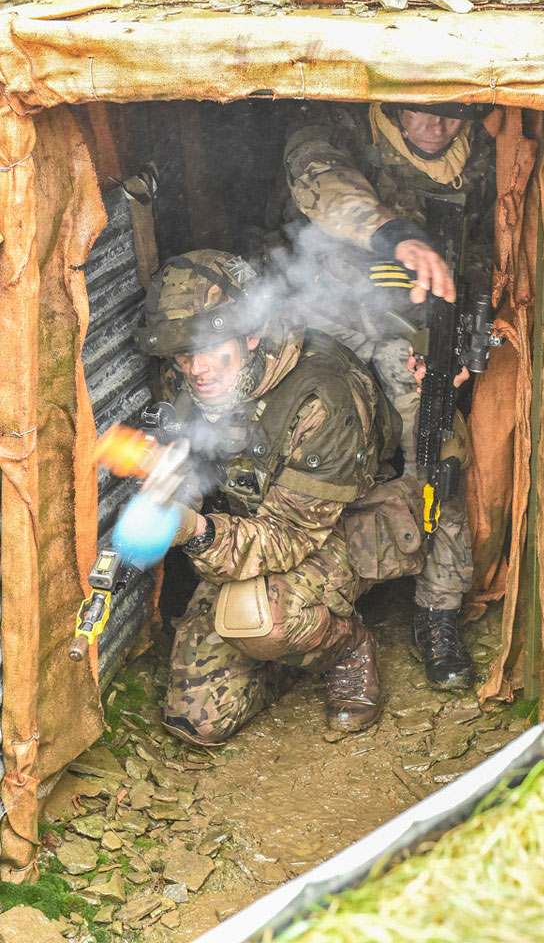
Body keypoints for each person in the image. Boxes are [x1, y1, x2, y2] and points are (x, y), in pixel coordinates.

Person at [134, 249, 425, 745]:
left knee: (261, 620)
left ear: (251, 334)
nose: (196, 368)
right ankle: (281, 656)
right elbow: (203, 466)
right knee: (198, 718)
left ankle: (347, 647)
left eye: (209, 348)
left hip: (334, 529)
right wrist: (169, 479)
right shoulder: (189, 374)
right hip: (246, 526)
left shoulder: (321, 397)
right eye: (183, 354)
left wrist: (194, 532)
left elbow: (287, 537)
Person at [282, 100, 496, 690]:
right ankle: (304, 607)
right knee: (303, 441)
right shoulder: (345, 127)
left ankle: (438, 610)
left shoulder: (480, 156)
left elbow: (485, 253)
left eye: (453, 115)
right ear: (392, 107)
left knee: (439, 449)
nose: (437, 128)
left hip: (412, 335)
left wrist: (458, 347)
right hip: (326, 321)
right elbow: (320, 176)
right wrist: (395, 234)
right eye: (421, 112)